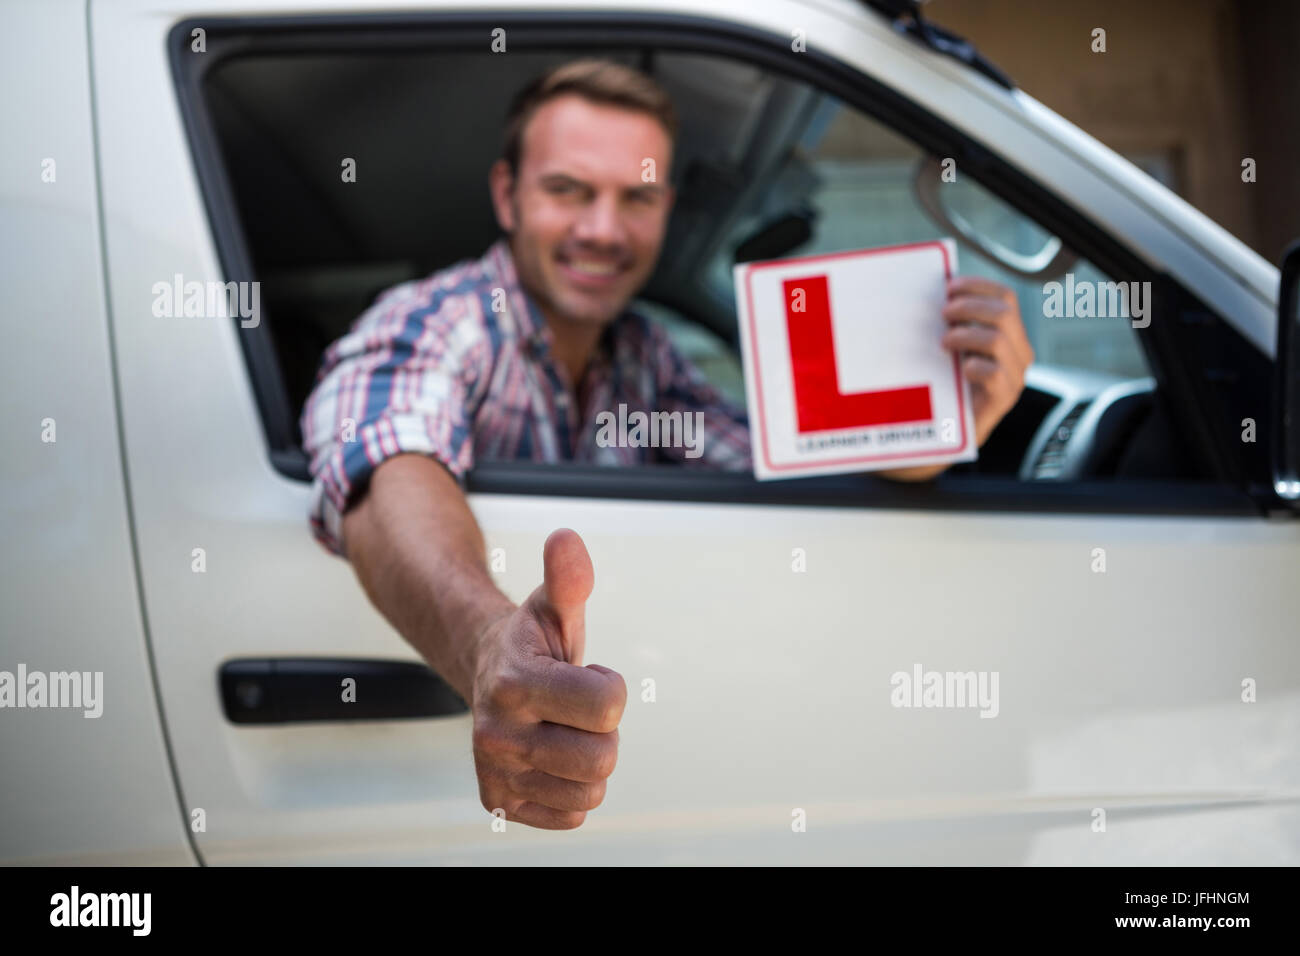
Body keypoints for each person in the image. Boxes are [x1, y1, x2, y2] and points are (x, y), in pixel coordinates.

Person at [301, 59, 1033, 830]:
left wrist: (940, 430)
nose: (603, 229)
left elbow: (764, 469)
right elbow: (386, 468)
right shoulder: (438, 321)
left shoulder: (642, 351)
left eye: (637, 198)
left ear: (667, 208)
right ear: (507, 196)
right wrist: (488, 643)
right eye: (567, 190)